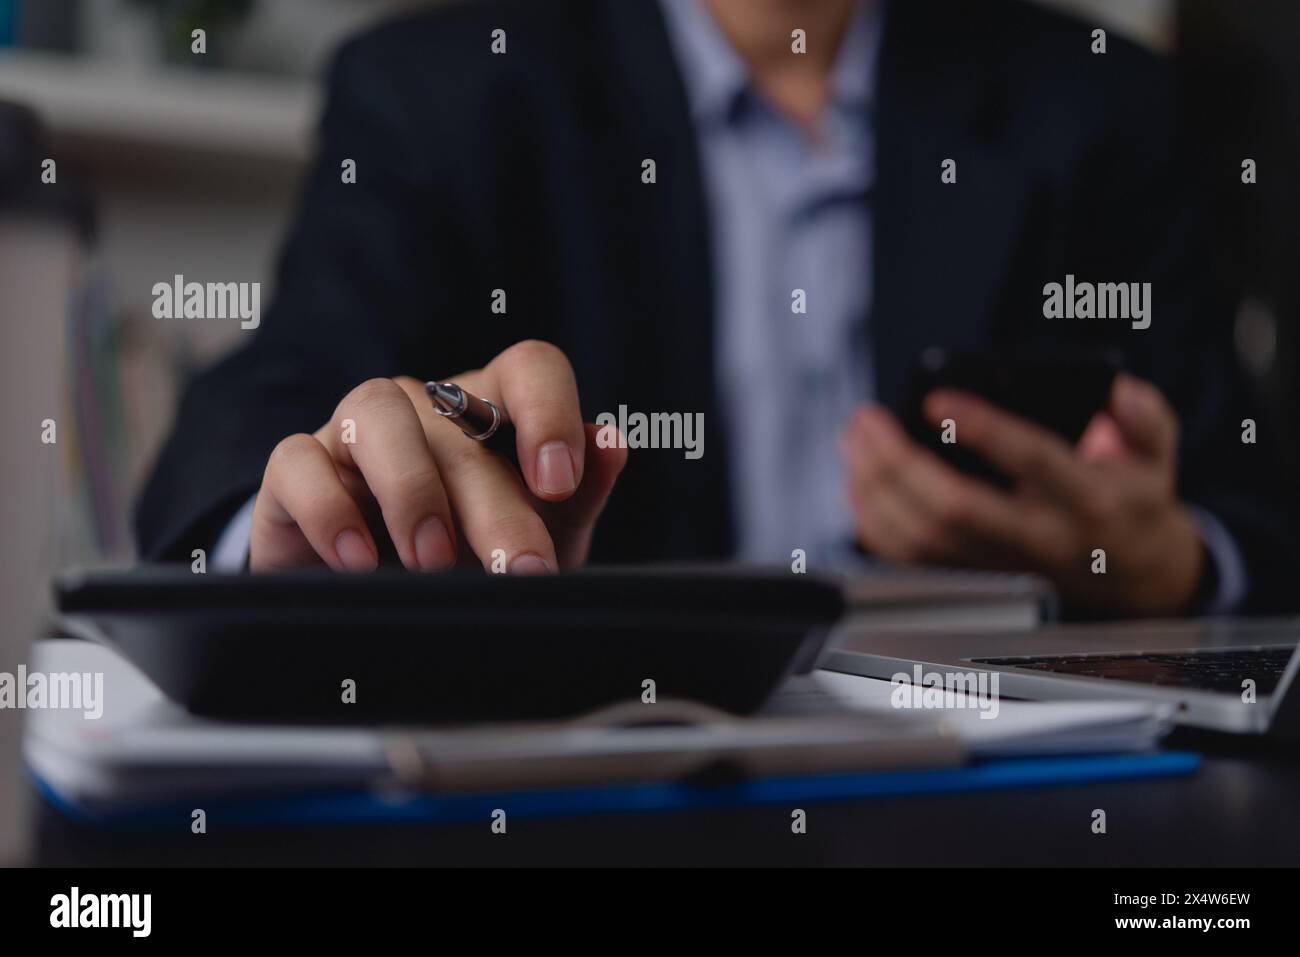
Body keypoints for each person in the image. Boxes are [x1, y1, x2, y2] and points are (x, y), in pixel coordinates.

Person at [137, 0, 1298, 616]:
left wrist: (1172, 567)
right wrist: (308, 521)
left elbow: (1248, 497)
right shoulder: (439, 92)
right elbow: (257, 414)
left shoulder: (1099, 103)